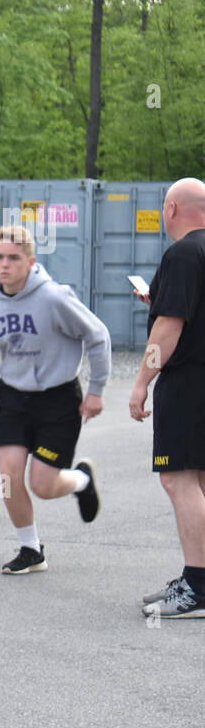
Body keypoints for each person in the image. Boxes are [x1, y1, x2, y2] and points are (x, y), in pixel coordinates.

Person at [0, 225, 109, 574]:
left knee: (43, 485)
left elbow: (97, 336)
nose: (5, 265)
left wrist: (96, 390)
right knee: (9, 476)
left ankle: (82, 480)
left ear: (30, 261)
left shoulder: (55, 298)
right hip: (12, 398)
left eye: (13, 258)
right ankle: (31, 549)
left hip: (57, 399)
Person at [132, 177, 205, 618]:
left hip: (189, 382)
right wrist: (157, 302)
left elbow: (171, 326)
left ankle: (197, 587)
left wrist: (141, 381)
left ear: (173, 209)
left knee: (177, 479)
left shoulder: (182, 253)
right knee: (198, 479)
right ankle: (198, 577)